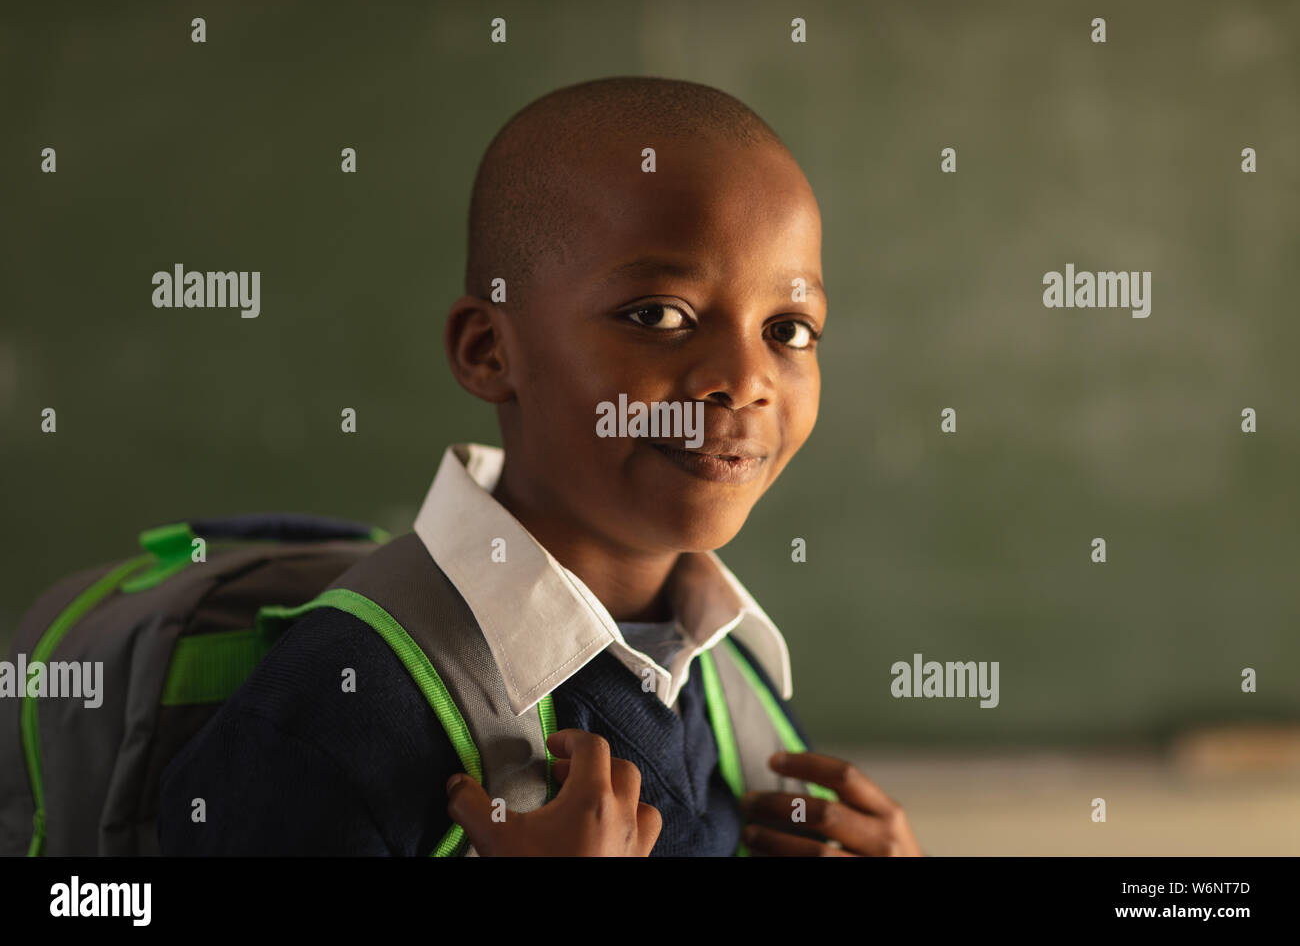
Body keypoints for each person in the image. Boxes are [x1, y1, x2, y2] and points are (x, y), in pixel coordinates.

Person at [158, 75, 923, 857]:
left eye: (790, 329)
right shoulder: (342, 700)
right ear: (489, 351)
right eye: (659, 315)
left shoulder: (728, 674)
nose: (747, 378)